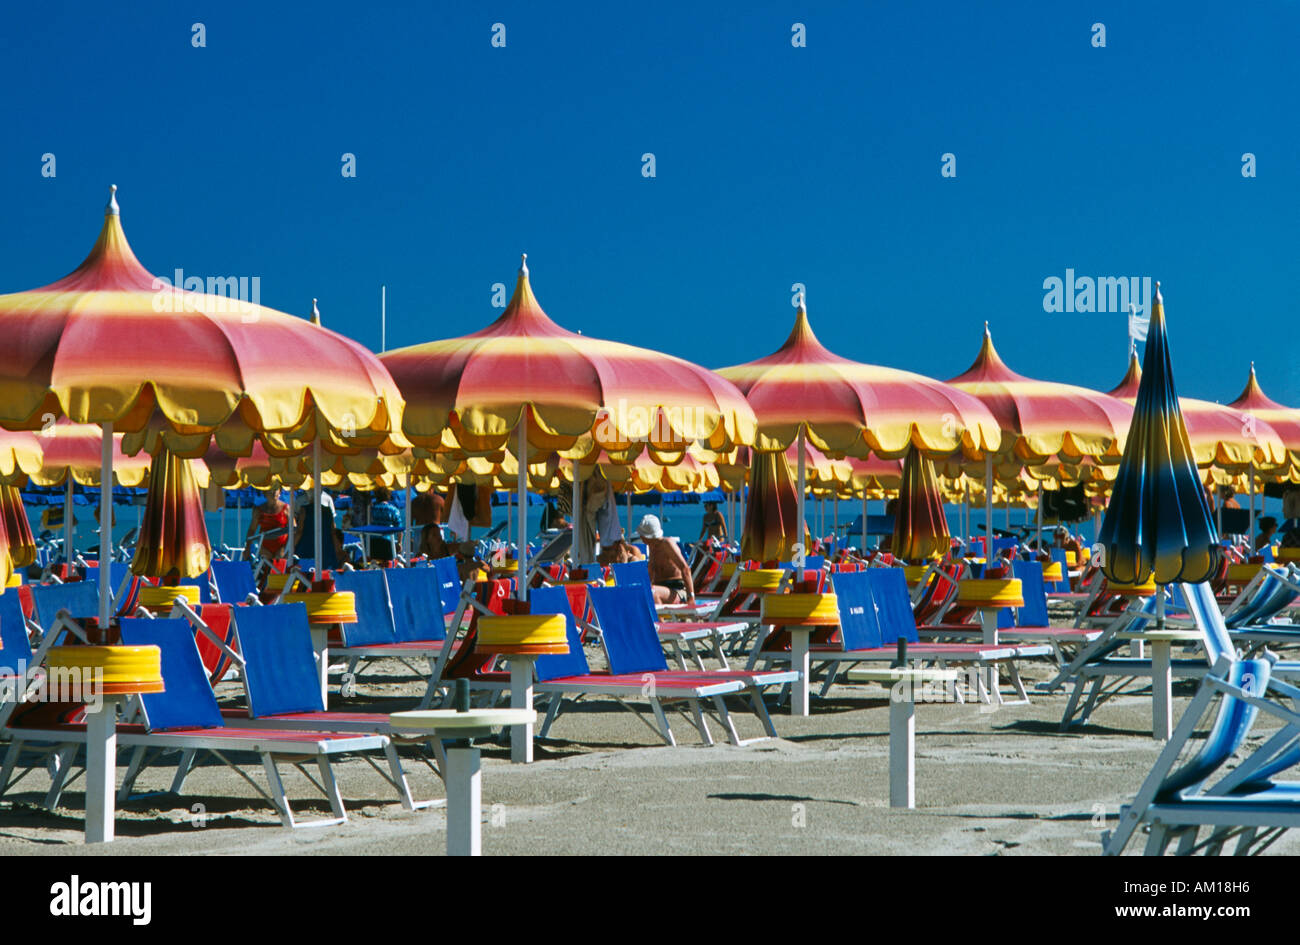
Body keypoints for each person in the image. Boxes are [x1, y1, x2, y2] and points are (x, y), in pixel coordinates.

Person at [637, 514, 694, 605]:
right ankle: (658, 619)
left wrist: (691, 597)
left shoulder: (667, 544)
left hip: (677, 590)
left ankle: (659, 619)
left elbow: (685, 568)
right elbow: (651, 573)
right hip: (662, 589)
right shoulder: (652, 547)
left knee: (652, 592)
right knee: (644, 592)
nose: (640, 537)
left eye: (642, 535)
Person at [293, 490, 341, 570]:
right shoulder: (328, 510)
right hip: (325, 546)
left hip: (307, 547)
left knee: (306, 573)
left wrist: (292, 546)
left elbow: (299, 531)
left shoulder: (304, 509)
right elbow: (333, 530)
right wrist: (337, 550)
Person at [245, 492, 288, 560]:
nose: (274, 493)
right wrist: (247, 548)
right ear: (265, 493)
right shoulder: (258, 510)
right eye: (271, 490)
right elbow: (252, 530)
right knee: (266, 568)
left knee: (279, 568)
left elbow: (294, 530)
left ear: (280, 492)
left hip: (281, 546)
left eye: (276, 490)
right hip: (264, 546)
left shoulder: (286, 508)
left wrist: (288, 548)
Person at [368, 486, 403, 563]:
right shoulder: (393, 510)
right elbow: (399, 528)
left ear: (376, 496)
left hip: (373, 542)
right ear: (388, 496)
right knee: (387, 565)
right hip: (387, 542)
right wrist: (399, 543)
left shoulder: (371, 510)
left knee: (374, 564)